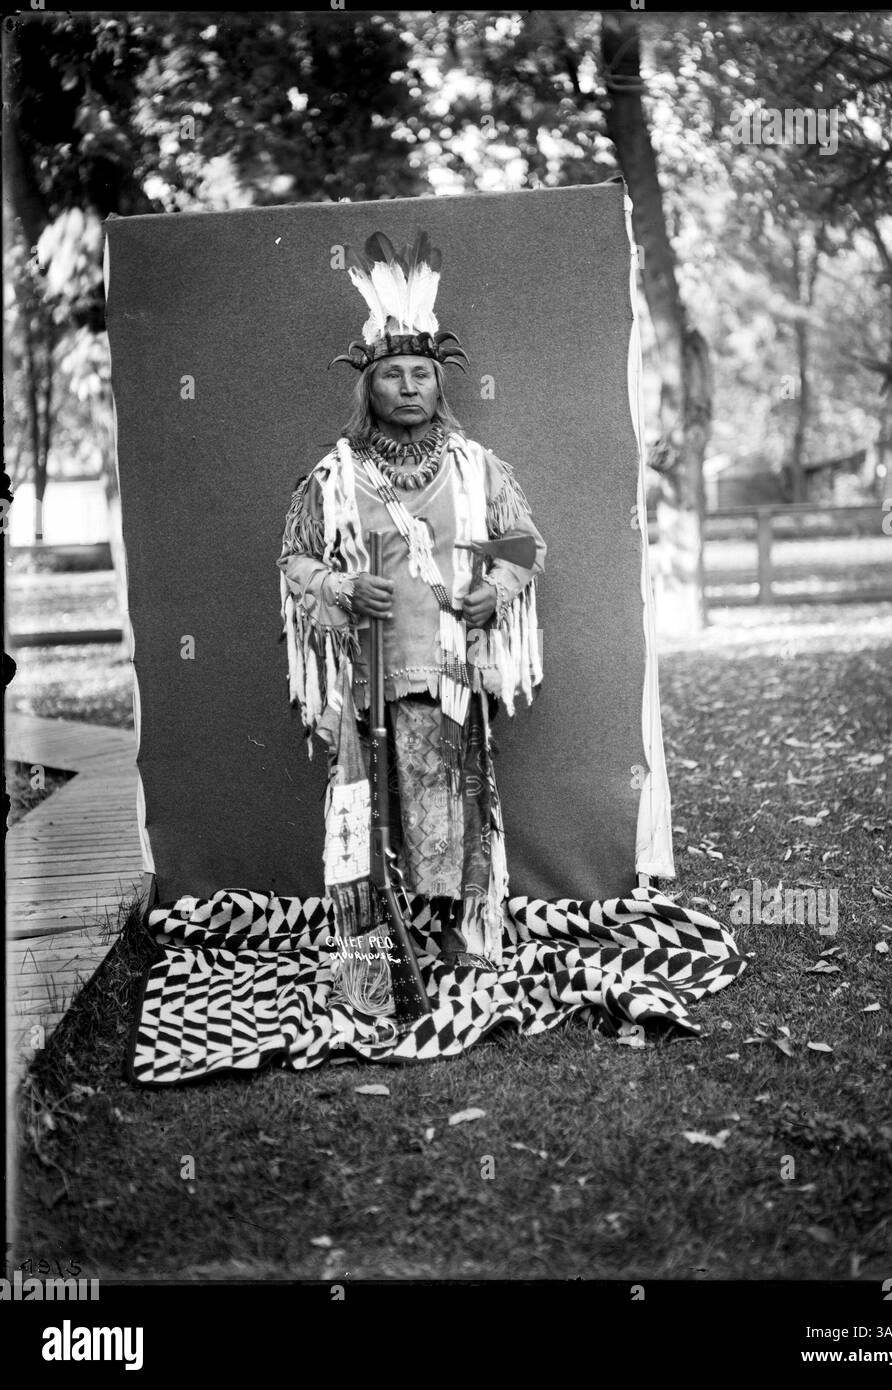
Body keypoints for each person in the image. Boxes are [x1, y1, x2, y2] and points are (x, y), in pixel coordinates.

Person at [277, 231, 545, 973]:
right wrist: (337, 585)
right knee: (362, 813)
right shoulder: (334, 479)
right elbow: (294, 560)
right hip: (366, 673)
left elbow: (525, 546)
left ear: (440, 383)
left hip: (447, 673)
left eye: (421, 373)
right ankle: (368, 948)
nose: (407, 386)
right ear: (369, 387)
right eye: (391, 374)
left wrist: (496, 591)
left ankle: (458, 936)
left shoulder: (475, 469)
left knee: (447, 808)